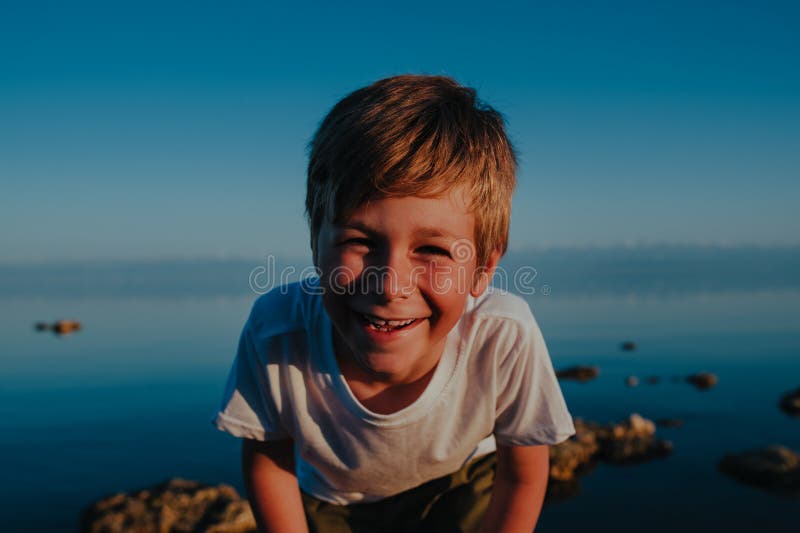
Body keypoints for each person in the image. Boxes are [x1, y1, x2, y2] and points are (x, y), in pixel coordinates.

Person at [212, 74, 575, 532]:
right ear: (315, 243)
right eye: (360, 240)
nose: (390, 285)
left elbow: (522, 474)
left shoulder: (503, 335)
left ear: (483, 266)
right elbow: (269, 461)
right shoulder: (278, 332)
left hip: (459, 483)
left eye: (433, 250)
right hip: (334, 499)